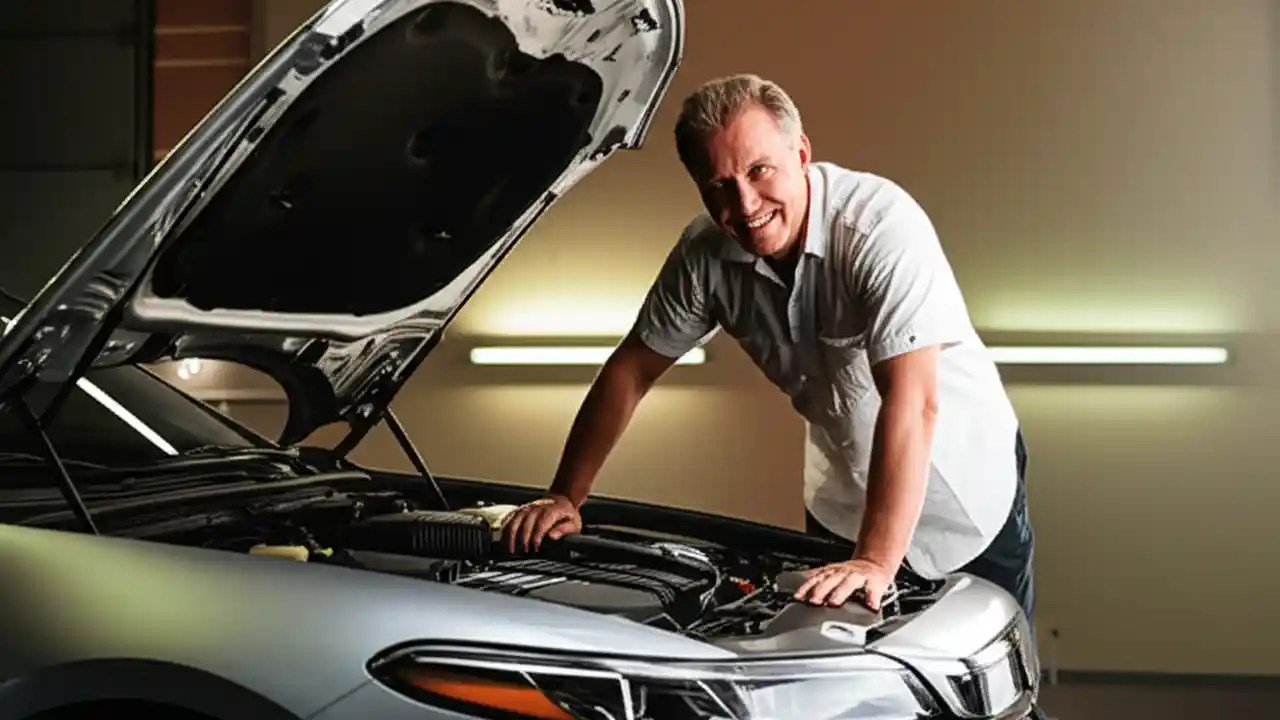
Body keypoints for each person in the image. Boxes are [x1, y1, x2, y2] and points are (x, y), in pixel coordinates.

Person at [502, 73, 1035, 622]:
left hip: (968, 490)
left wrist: (877, 561)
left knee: (985, 688)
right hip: (843, 504)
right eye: (718, 186)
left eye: (759, 170)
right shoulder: (704, 257)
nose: (745, 202)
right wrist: (565, 496)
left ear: (800, 152)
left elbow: (913, 401)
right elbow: (631, 370)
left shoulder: (879, 226)